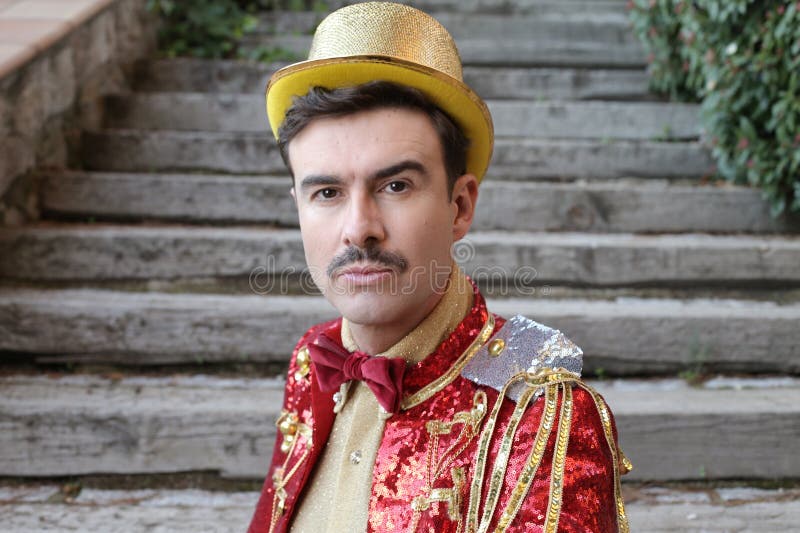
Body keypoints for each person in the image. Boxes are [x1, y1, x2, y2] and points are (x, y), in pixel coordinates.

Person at [248, 3, 632, 532]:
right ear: (298, 205)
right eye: (327, 192)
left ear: (460, 206)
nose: (359, 228)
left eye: (396, 186)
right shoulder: (313, 362)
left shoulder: (538, 414)